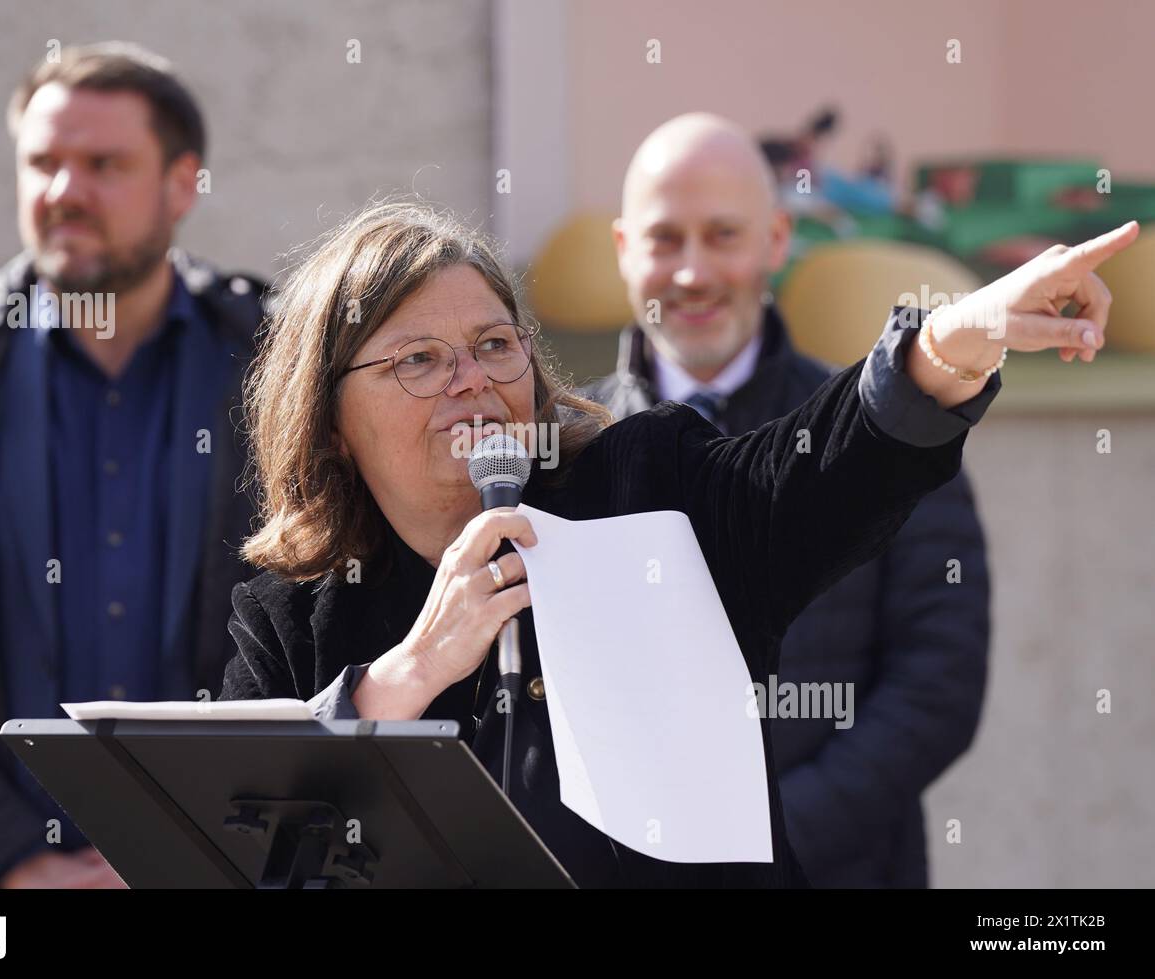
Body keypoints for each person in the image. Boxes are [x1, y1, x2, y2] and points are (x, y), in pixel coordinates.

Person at [219, 198, 1134, 888]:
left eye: (495, 344)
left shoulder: (646, 493)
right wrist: (404, 678)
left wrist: (951, 342)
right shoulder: (291, 619)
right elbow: (240, 842)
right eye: (418, 359)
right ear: (330, 418)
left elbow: (821, 470)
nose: (472, 381)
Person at [0, 43, 267, 888]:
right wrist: (11, 858)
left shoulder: (278, 369)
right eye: (42, 163)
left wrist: (203, 849)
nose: (63, 192)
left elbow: (326, 631)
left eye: (104, 164)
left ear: (182, 184)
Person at [585, 112, 989, 887]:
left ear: (776, 240)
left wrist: (760, 847)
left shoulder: (889, 432)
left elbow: (938, 684)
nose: (693, 273)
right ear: (624, 249)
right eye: (666, 239)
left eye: (723, 235)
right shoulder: (565, 450)